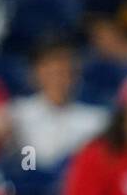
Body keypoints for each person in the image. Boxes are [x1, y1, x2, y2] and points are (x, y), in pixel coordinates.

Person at [9, 34, 109, 170]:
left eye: (63, 68)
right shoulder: (16, 113)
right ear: (35, 73)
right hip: (25, 186)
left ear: (75, 72)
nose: (57, 75)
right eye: (49, 69)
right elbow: (25, 166)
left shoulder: (96, 120)